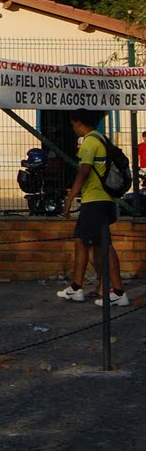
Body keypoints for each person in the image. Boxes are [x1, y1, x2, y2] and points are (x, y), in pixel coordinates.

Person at [56, 108, 130, 306]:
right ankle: (76, 288)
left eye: (73, 124)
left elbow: (84, 172)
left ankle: (118, 292)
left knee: (103, 245)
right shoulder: (102, 138)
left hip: (95, 201)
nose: (73, 128)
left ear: (79, 122)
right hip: (98, 200)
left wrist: (69, 198)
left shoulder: (89, 141)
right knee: (81, 241)